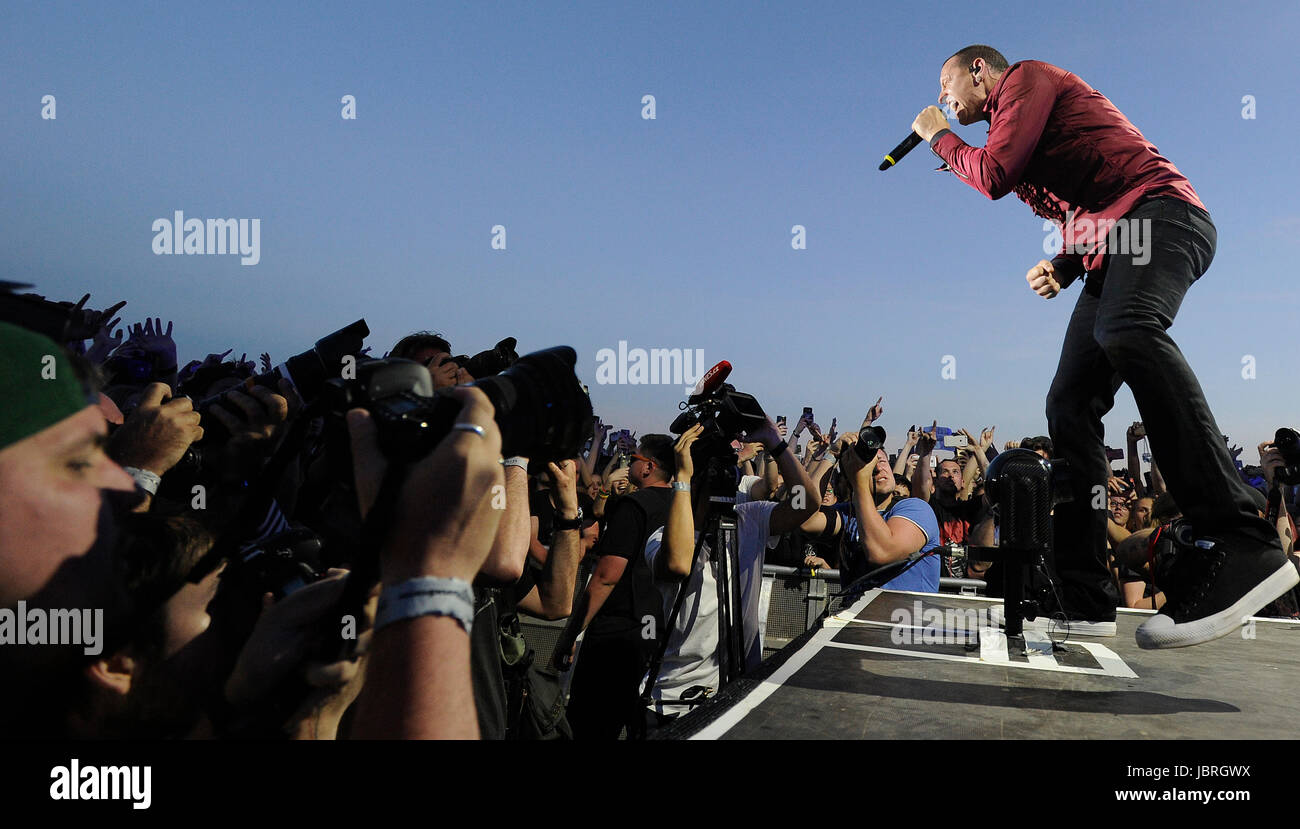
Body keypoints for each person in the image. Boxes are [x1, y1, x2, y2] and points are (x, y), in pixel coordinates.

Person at [911, 44, 1297, 648]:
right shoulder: (1015, 125)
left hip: (1162, 216)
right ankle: (1086, 595)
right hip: (1111, 247)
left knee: (1128, 327)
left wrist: (939, 136)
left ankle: (1243, 541)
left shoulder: (1028, 80)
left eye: (946, 84)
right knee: (1068, 403)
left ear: (980, 71)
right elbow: (1081, 203)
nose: (941, 98)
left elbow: (992, 175)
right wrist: (1065, 264)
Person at [644, 415, 819, 726]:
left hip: (738, 691)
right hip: (672, 700)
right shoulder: (661, 538)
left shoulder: (749, 519)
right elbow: (678, 563)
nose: (724, 480)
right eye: (711, 475)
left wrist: (774, 443)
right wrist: (683, 478)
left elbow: (806, 503)